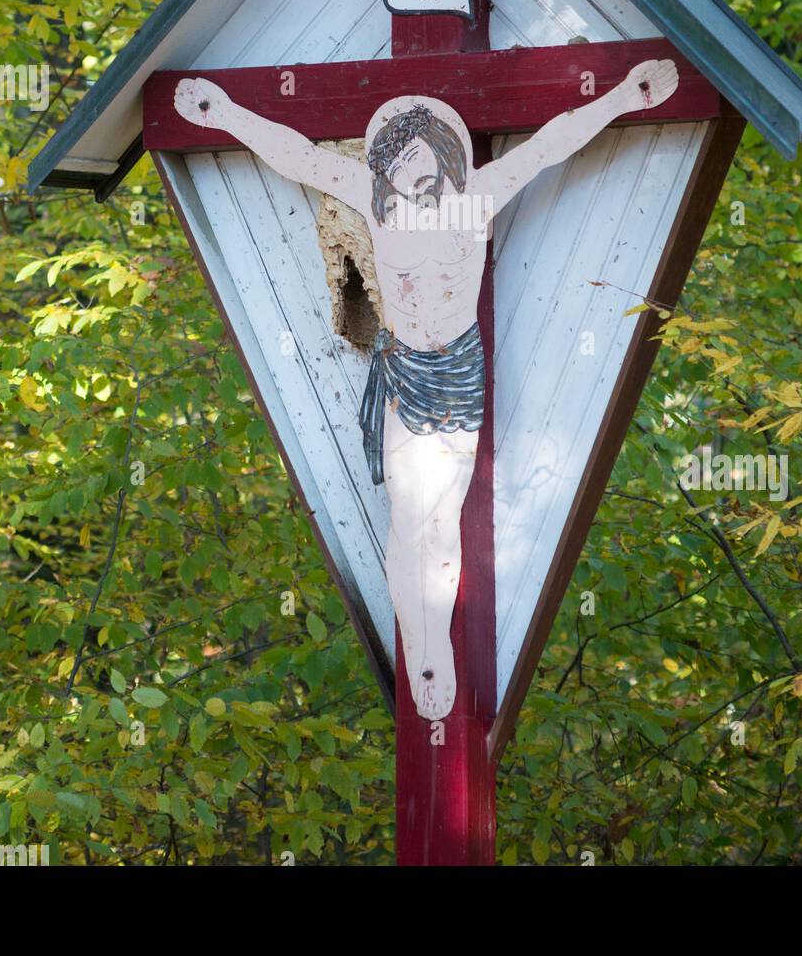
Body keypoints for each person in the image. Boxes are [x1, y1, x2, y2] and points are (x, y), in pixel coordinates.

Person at [173, 58, 679, 719]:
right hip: (404, 371)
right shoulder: (374, 202)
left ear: (443, 153)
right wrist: (224, 114)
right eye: (395, 154)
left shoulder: (476, 198)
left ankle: (431, 633)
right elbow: (298, 157)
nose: (405, 165)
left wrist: (618, 95)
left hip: (458, 374)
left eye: (415, 151)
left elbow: (551, 143)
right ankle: (421, 640)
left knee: (440, 521)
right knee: (409, 516)